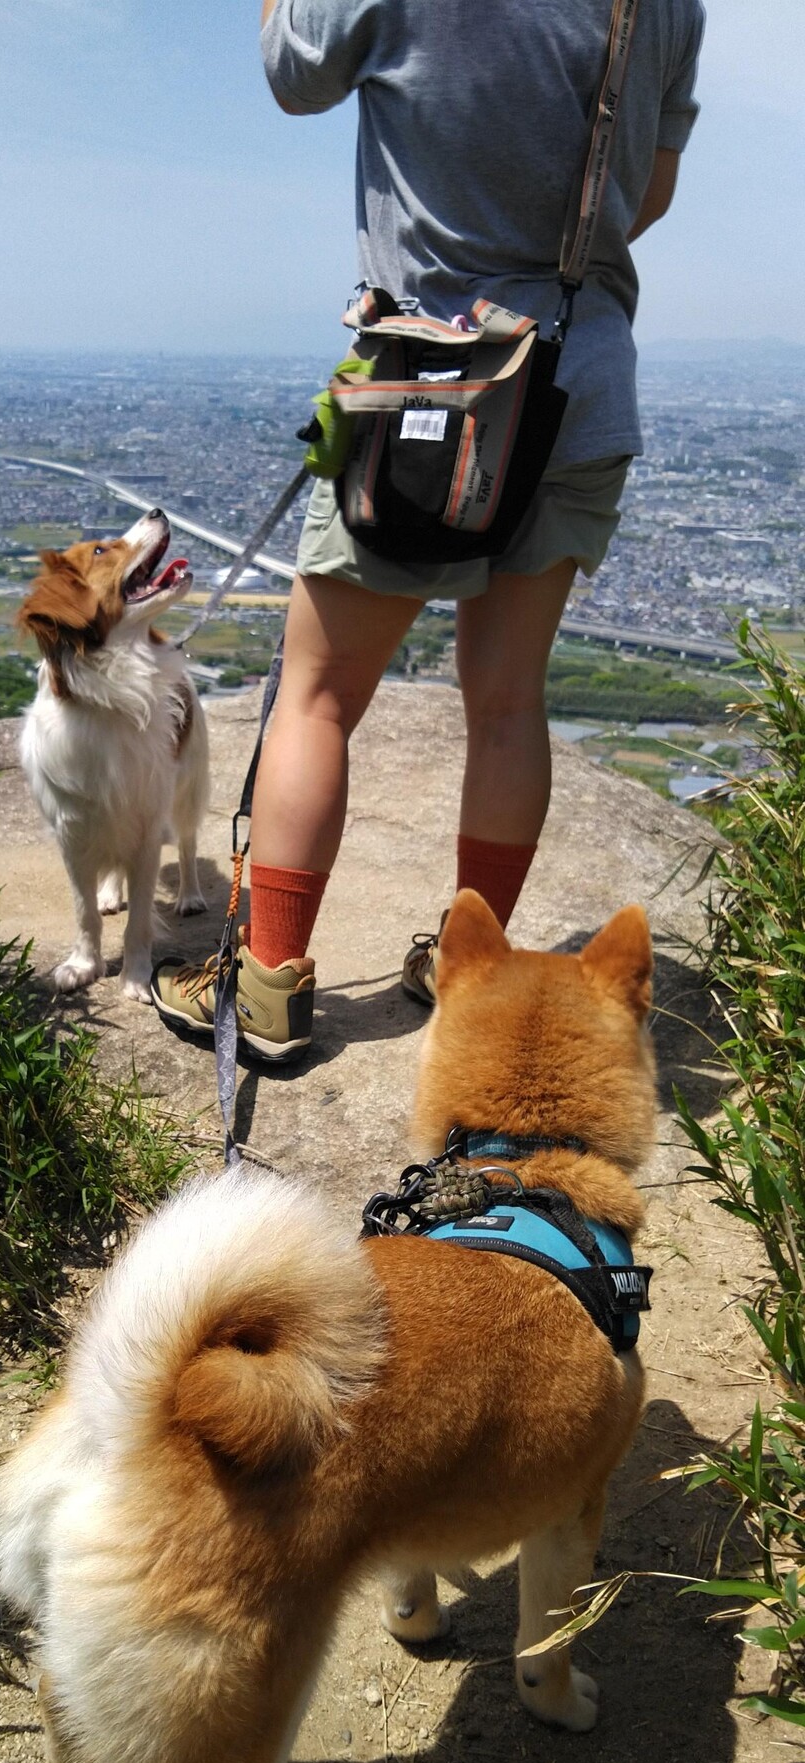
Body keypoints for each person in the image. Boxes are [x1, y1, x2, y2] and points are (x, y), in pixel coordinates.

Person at [152, 0, 704, 1062]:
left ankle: (266, 985)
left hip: (427, 396)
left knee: (319, 693)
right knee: (507, 701)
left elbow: (292, 69)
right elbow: (651, 192)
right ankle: (469, 970)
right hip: (576, 382)